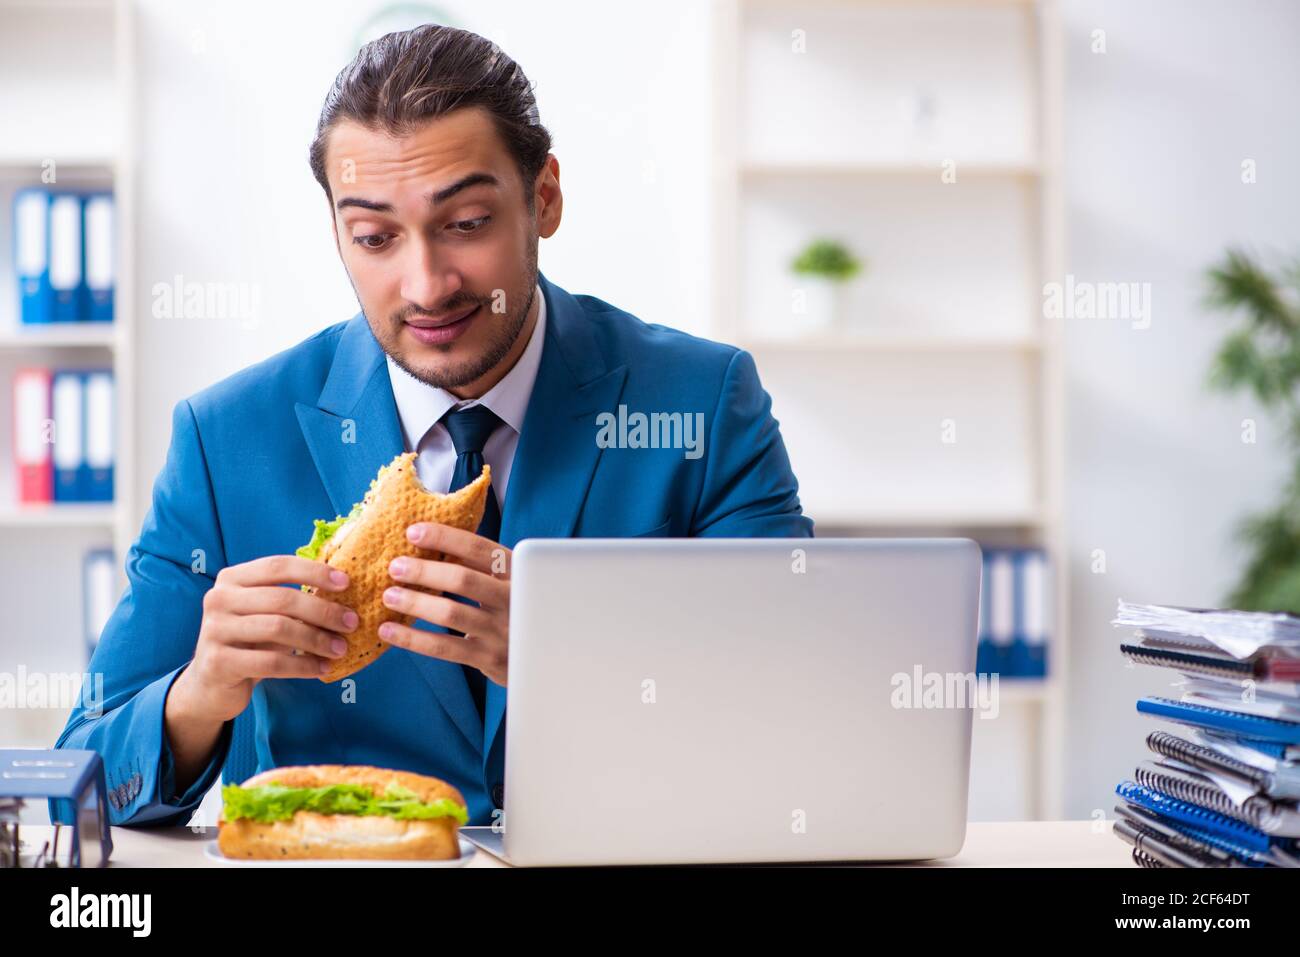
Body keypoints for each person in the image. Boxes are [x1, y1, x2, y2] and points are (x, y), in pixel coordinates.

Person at [54, 23, 813, 828]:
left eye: (466, 222)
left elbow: (799, 724)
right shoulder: (225, 438)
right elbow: (80, 780)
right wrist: (198, 692)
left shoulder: (703, 403)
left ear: (543, 198)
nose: (426, 284)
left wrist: (582, 662)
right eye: (375, 238)